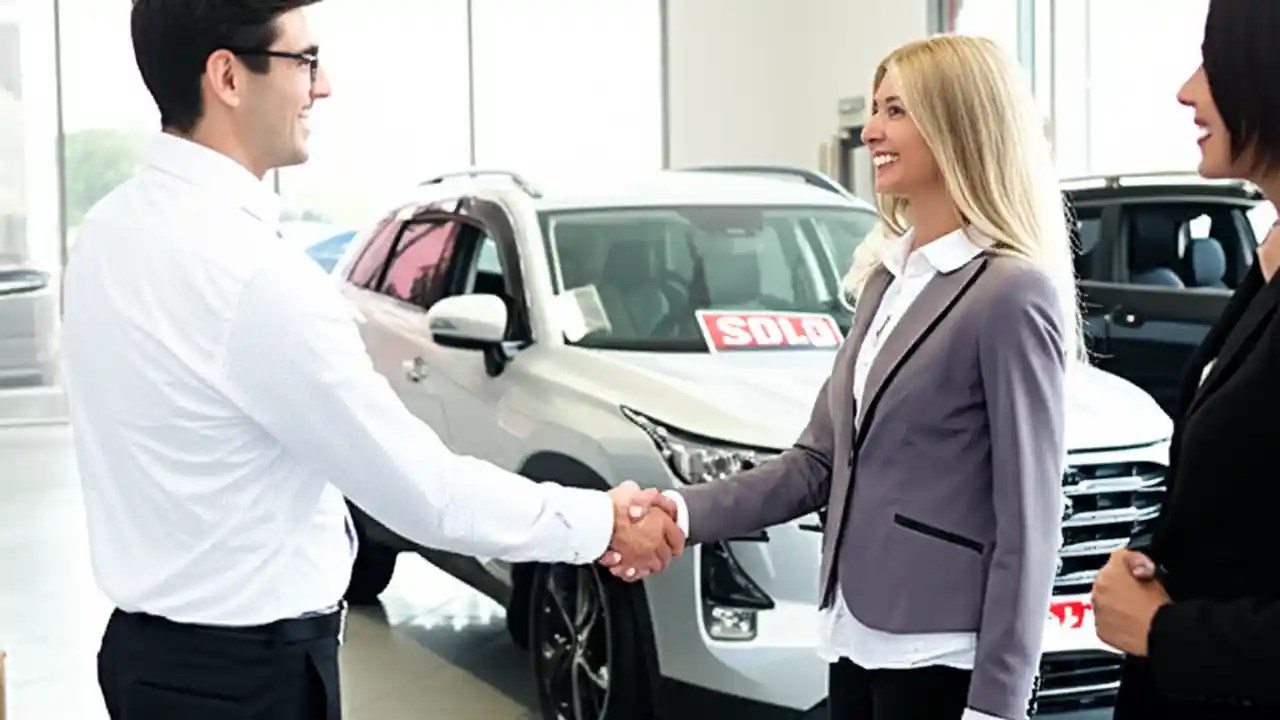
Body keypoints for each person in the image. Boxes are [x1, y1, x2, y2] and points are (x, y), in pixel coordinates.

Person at [60, 2, 681, 719]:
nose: (322, 87)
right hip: (245, 681)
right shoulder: (254, 276)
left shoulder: (108, 233)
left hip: (146, 662)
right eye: (306, 60)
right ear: (228, 76)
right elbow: (424, 492)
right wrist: (602, 522)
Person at [604, 34, 1075, 720]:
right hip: (852, 630)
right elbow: (816, 463)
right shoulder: (889, 279)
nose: (870, 129)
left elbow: (1030, 520)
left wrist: (999, 702)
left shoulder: (1009, 292)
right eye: (875, 109)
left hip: (940, 651)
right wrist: (682, 511)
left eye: (895, 110)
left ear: (958, 124)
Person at [1090, 1, 1280, 717]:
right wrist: (1153, 555)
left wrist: (1169, 632)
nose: (1187, 90)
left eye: (1213, 62)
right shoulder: (1265, 266)